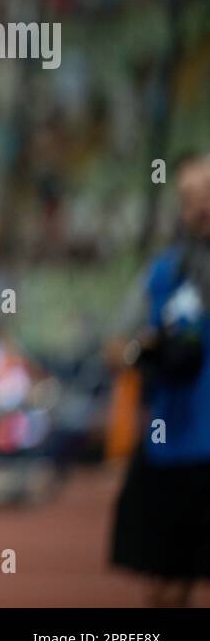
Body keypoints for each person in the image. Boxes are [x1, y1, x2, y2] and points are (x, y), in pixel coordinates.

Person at [108, 151, 210, 606]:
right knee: (166, 585)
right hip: (172, 447)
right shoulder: (165, 270)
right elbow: (117, 347)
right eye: (189, 197)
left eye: (206, 195)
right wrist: (143, 351)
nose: (199, 208)